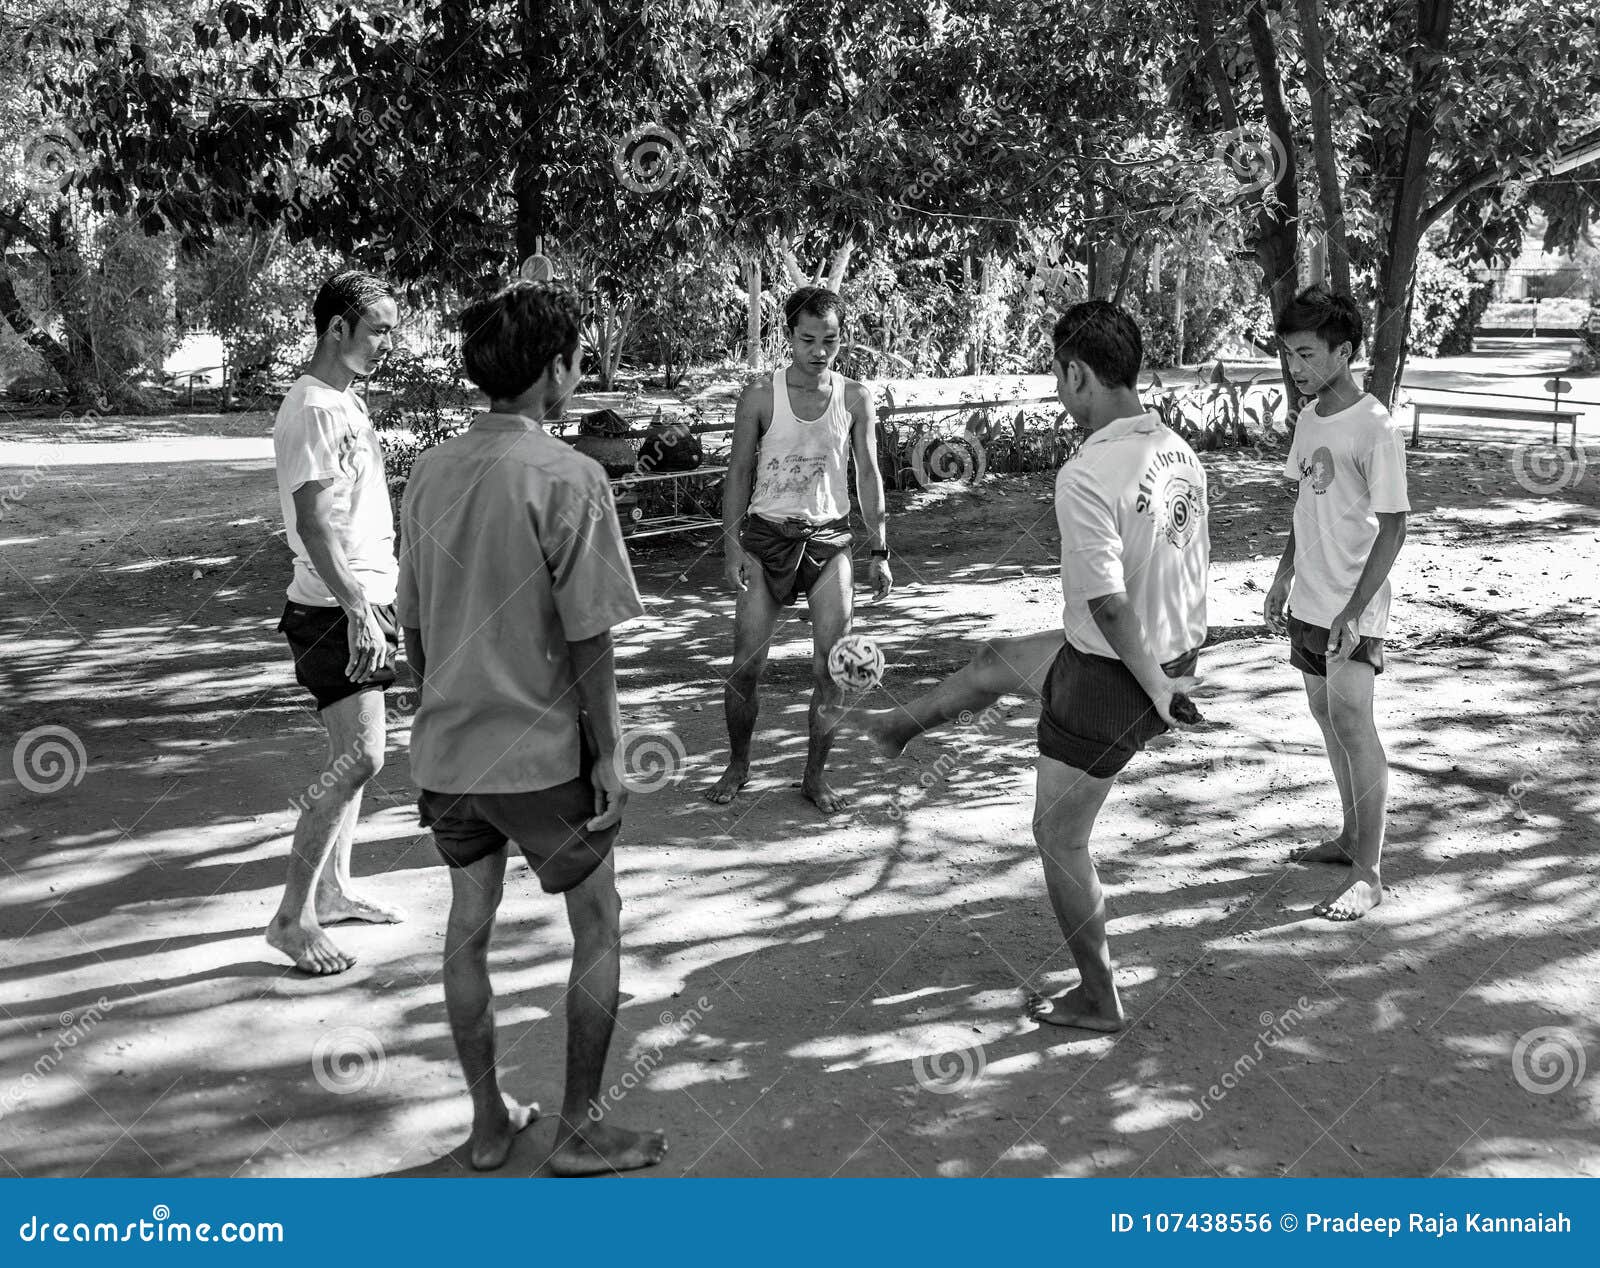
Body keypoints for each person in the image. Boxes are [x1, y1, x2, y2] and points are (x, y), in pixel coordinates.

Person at [397, 281, 666, 1175]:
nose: (578, 373)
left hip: (449, 752)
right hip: (542, 757)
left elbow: (415, 632)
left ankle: (487, 1125)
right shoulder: (569, 476)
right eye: (578, 360)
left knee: (468, 927)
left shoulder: (429, 472)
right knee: (599, 921)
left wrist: (440, 713)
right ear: (555, 369)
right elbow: (590, 636)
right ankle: (579, 1128)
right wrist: (611, 751)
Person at [1025, 300, 1209, 1031]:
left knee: (1058, 837)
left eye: (1058, 376)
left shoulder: (1086, 472)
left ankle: (1098, 997)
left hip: (1117, 677)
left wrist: (1153, 686)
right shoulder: (1179, 450)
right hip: (1175, 656)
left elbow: (1106, 604)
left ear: (1078, 374)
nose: (1058, 391)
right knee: (1006, 666)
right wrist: (1172, 671)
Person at [705, 286, 892, 813]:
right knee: (745, 667)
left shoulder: (855, 398)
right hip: (765, 541)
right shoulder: (760, 396)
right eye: (808, 339)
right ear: (788, 336)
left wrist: (880, 550)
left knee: (832, 668)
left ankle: (814, 777)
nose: (819, 350)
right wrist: (731, 547)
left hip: (829, 542)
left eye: (829, 340)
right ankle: (738, 764)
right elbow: (738, 472)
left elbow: (869, 474)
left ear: (841, 339)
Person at [267, 269, 406, 977]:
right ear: (337, 328)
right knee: (362, 758)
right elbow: (315, 523)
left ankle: (332, 890)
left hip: (360, 601)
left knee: (351, 762)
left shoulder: (343, 401)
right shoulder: (315, 408)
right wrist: (358, 610)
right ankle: (291, 919)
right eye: (379, 329)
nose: (388, 343)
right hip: (334, 610)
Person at [1265, 285, 1409, 922]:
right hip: (1310, 599)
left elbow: (1395, 526)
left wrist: (1354, 610)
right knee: (1326, 716)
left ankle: (1369, 873)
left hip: (1355, 606)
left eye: (1306, 354)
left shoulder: (1374, 426)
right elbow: (1305, 506)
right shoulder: (1309, 419)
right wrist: (1282, 576)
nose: (1294, 366)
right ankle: (1350, 837)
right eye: (1288, 353)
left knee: (1354, 724)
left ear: (1344, 351)